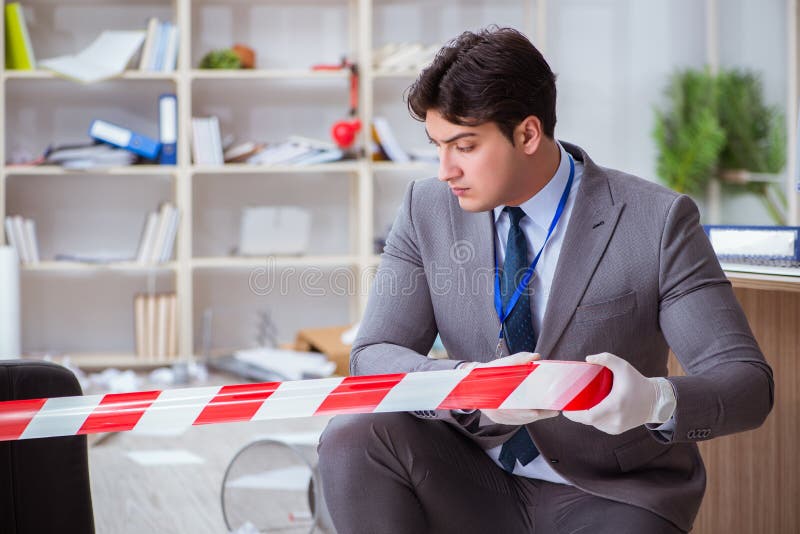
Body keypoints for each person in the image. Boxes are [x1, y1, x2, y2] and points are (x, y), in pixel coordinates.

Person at [317, 27, 774, 534]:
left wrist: (654, 399)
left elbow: (747, 384)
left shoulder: (656, 220)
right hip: (473, 474)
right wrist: (474, 386)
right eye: (437, 146)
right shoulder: (425, 209)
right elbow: (374, 354)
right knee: (352, 436)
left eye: (464, 146)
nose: (445, 170)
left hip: (611, 492)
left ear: (528, 134)